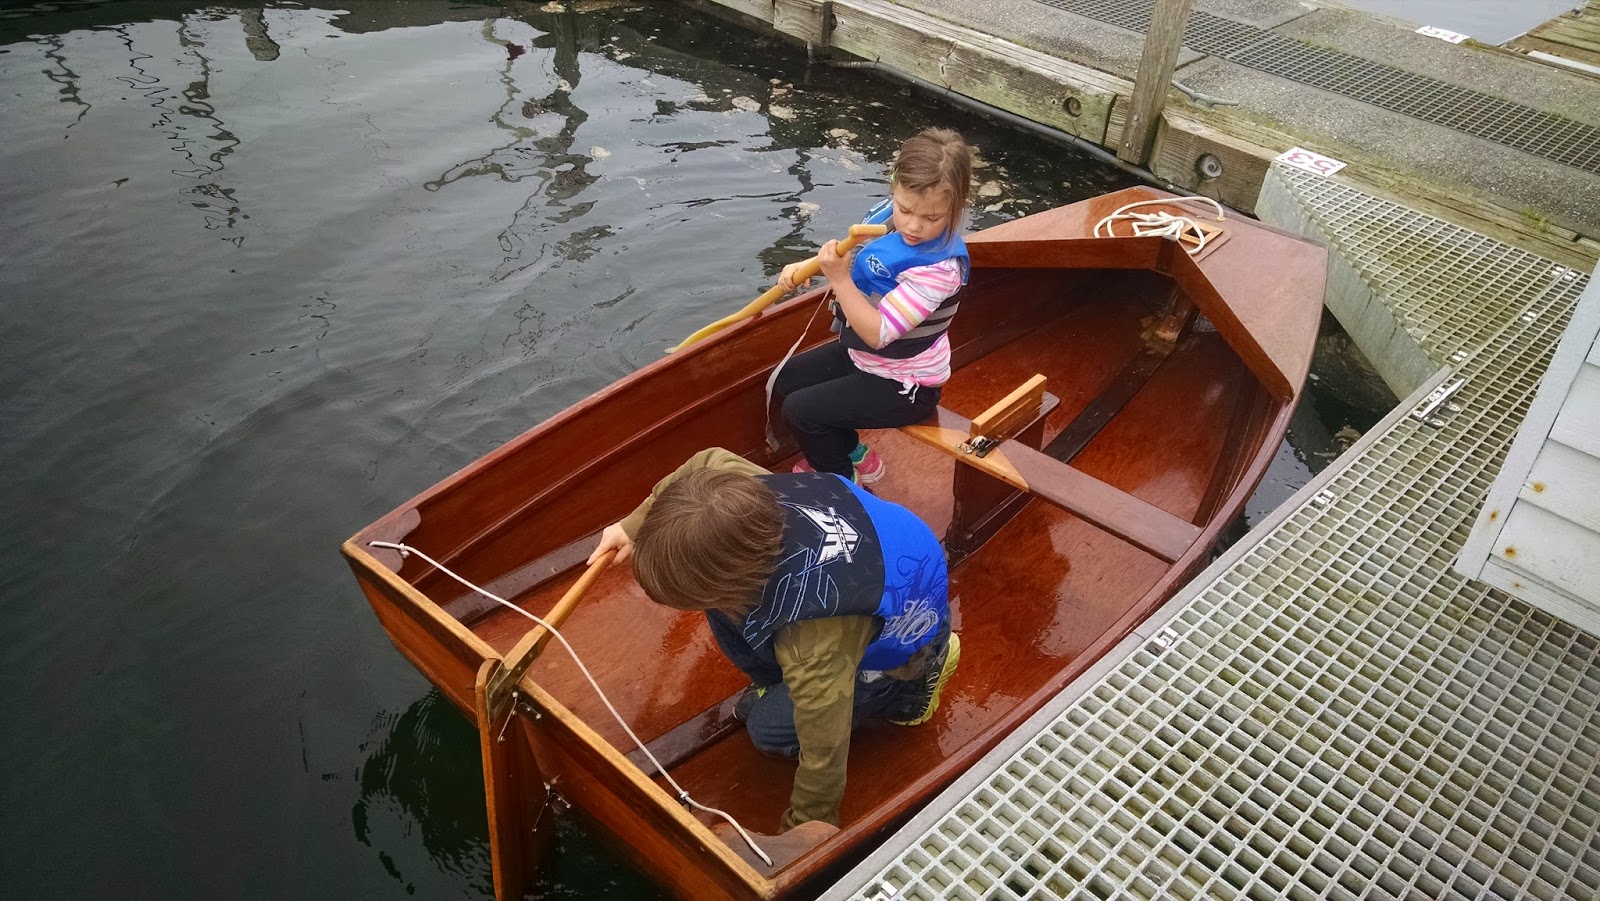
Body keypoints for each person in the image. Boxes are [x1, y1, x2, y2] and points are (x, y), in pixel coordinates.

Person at [587, 447, 960, 832]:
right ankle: (774, 681)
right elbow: (703, 460)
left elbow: (824, 748)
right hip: (880, 553)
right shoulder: (738, 495)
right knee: (722, 606)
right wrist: (633, 525)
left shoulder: (814, 638)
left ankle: (918, 675)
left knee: (768, 732)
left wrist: (805, 827)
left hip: (905, 630)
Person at [774, 127, 974, 484]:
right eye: (905, 209)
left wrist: (838, 279)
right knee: (786, 380)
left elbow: (878, 333)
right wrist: (807, 265)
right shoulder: (887, 219)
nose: (913, 226)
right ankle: (854, 453)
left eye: (932, 218)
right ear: (894, 190)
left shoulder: (939, 270)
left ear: (955, 207)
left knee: (800, 411)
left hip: (906, 385)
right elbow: (847, 253)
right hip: (864, 359)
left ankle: (840, 487)